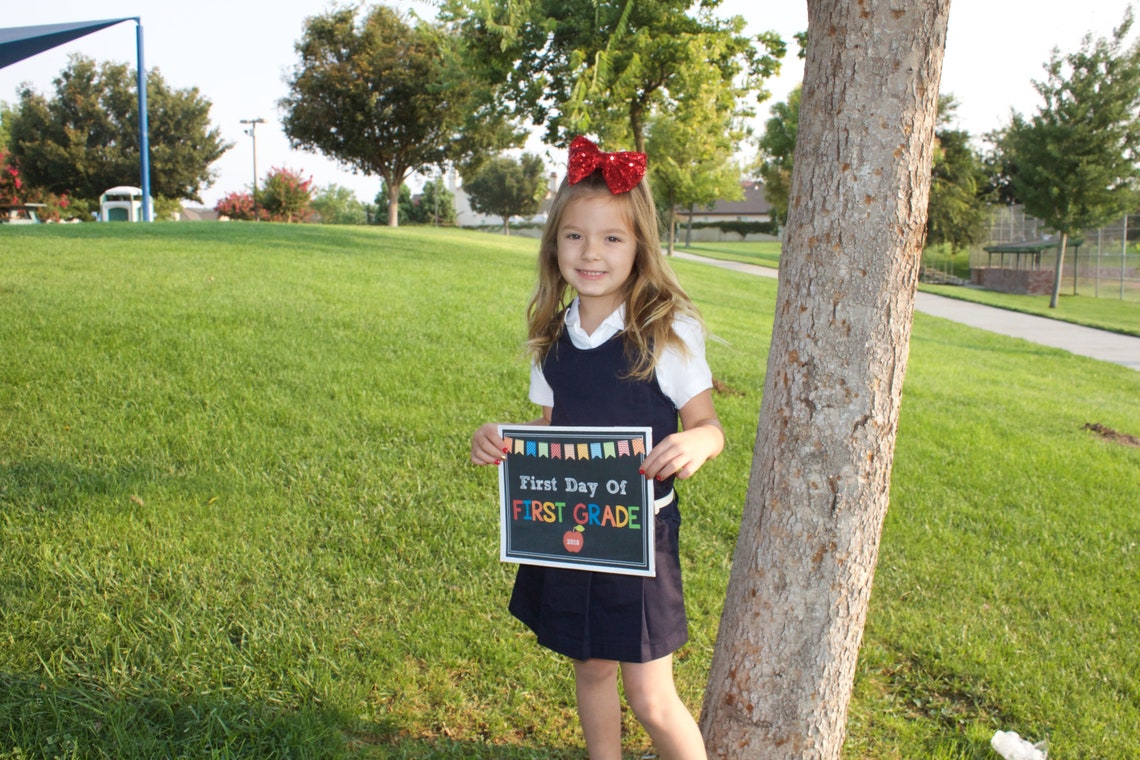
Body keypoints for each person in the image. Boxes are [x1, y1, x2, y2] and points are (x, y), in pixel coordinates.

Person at [471, 135, 724, 760]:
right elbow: (555, 431)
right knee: (589, 667)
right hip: (569, 532)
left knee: (650, 694)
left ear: (639, 248)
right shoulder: (551, 337)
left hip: (638, 538)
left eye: (612, 238)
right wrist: (505, 440)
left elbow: (709, 425)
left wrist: (695, 442)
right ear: (554, 244)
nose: (591, 253)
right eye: (575, 236)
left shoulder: (666, 333)